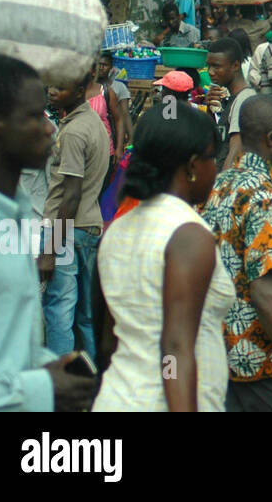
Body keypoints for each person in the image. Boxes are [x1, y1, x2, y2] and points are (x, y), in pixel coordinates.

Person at [0, 55, 96, 411]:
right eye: (34, 116)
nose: (49, 128)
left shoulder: (13, 215)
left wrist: (42, 365)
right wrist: (38, 387)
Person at [93, 105, 233, 411]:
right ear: (193, 165)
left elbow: (108, 342)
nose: (215, 169)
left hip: (117, 396)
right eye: (213, 158)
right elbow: (175, 348)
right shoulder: (187, 234)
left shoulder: (118, 230)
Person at [200, 96, 272, 411]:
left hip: (219, 360)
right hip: (264, 367)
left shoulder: (220, 186)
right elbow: (265, 294)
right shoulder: (265, 200)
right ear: (271, 139)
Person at [39, 73, 108, 358]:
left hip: (66, 230)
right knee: (87, 315)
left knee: (59, 310)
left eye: (60, 85)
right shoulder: (94, 123)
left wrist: (51, 250)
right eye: (51, 86)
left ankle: (59, 383)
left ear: (80, 90)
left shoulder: (74, 131)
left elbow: (71, 194)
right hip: (90, 225)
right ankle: (91, 381)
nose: (53, 91)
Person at [206, 38, 257, 169]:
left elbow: (235, 152)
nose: (210, 72)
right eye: (209, 66)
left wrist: (223, 187)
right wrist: (210, 111)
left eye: (216, 66)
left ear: (235, 66)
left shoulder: (244, 99)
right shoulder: (231, 98)